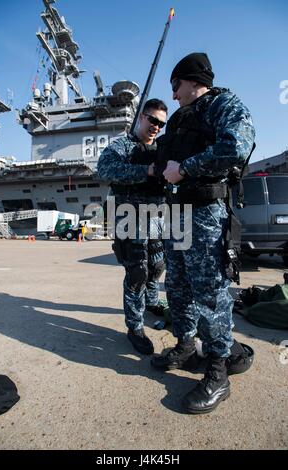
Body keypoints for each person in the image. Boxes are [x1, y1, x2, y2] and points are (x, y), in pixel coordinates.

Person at [151, 53, 255, 414]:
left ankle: (217, 370)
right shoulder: (179, 118)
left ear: (193, 81)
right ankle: (185, 343)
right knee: (177, 285)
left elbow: (236, 148)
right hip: (176, 214)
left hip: (206, 214)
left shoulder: (223, 105)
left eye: (176, 86)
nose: (174, 95)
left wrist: (187, 169)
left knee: (211, 293)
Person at [97, 99, 168, 355]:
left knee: (158, 265)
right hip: (130, 217)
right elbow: (104, 169)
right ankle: (135, 327)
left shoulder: (163, 148)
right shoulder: (122, 145)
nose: (156, 127)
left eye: (161, 123)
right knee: (137, 271)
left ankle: (152, 302)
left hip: (158, 217)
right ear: (140, 118)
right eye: (152, 120)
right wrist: (146, 170)